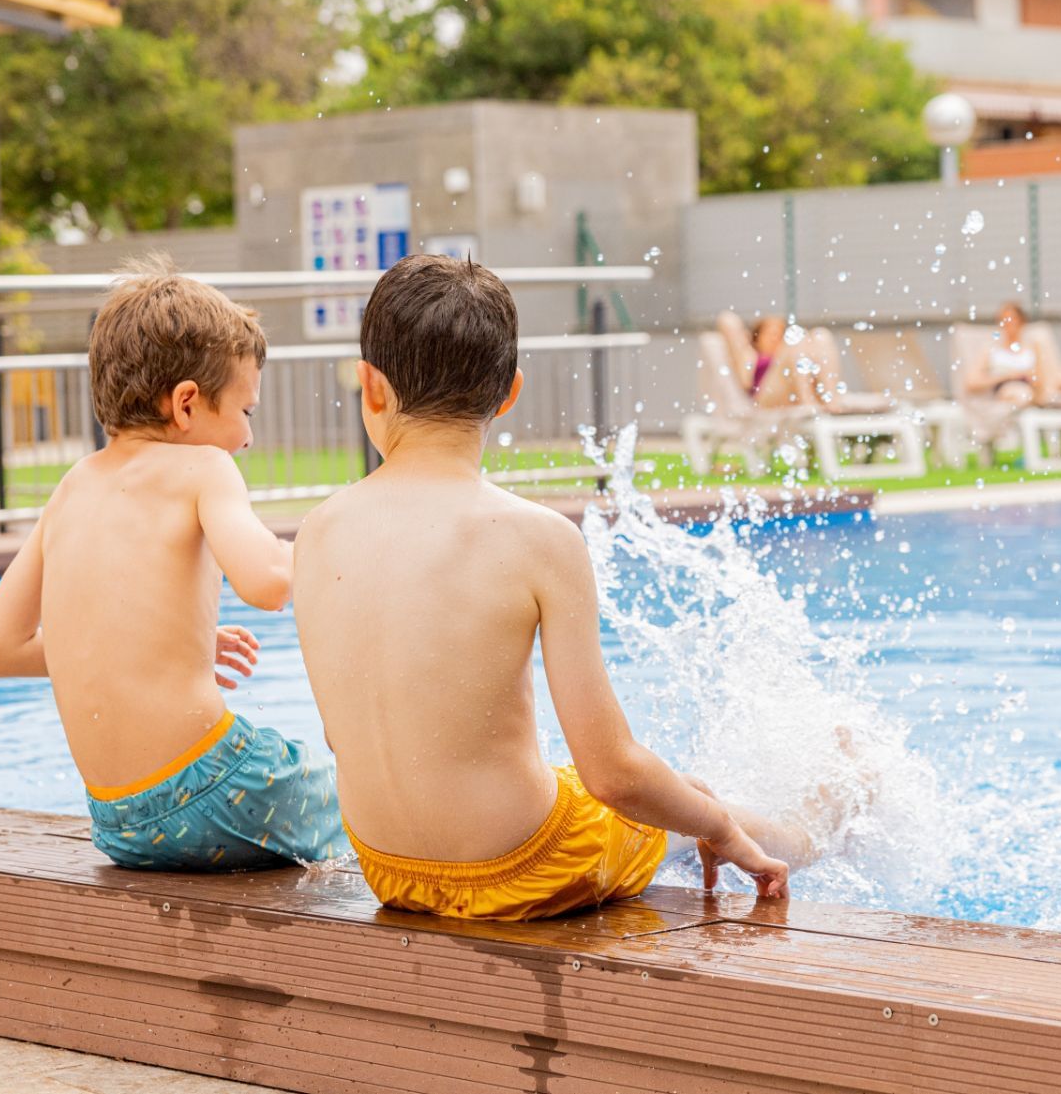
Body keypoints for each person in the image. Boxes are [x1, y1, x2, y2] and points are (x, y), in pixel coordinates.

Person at [298, 256, 855, 920]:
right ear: (510, 393)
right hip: (522, 866)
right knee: (692, 798)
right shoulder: (538, 538)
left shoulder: (317, 532)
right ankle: (819, 827)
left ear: (370, 385)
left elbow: (342, 735)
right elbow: (614, 773)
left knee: (642, 791)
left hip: (389, 866)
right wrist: (718, 827)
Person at [0, 256, 348, 871]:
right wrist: (333, 540)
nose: (249, 438)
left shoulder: (73, 486)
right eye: (245, 412)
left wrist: (151, 643)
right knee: (367, 795)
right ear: (187, 404)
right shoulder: (203, 468)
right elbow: (269, 583)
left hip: (120, 824)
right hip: (215, 785)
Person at [718, 311, 885, 414]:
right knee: (797, 338)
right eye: (770, 334)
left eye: (779, 333)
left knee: (821, 334)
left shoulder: (792, 352)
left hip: (801, 388)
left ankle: (830, 397)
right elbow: (726, 320)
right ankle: (806, 401)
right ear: (757, 337)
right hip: (767, 397)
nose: (776, 338)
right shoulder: (751, 356)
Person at [963, 301, 1061, 407]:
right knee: (1020, 393)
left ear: (1022, 322)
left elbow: (1058, 378)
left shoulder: (1032, 347)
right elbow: (972, 382)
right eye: (1004, 320)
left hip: (1034, 386)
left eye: (1013, 320)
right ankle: (1037, 400)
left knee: (1056, 379)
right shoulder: (991, 350)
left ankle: (1041, 398)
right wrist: (1007, 375)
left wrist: (1031, 374)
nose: (1008, 324)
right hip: (1008, 389)